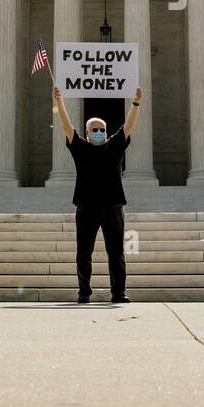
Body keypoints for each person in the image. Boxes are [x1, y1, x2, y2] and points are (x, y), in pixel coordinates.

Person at [52, 83, 143, 304]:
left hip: (113, 206)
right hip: (86, 206)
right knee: (84, 252)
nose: (100, 132)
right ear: (87, 133)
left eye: (102, 129)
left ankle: (118, 293)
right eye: (95, 130)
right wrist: (59, 101)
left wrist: (136, 103)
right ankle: (84, 292)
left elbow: (128, 125)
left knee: (116, 253)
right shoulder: (80, 148)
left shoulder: (114, 146)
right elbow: (66, 126)